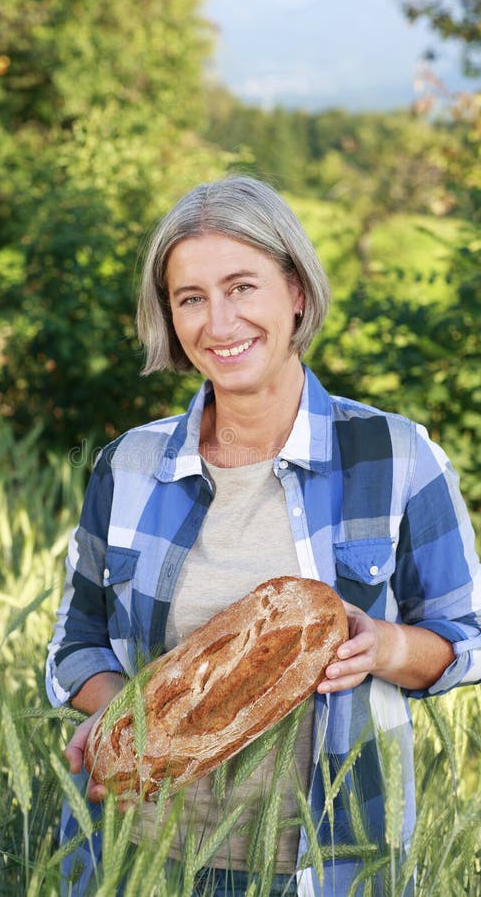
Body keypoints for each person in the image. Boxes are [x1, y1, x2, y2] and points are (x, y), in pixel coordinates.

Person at [45, 176, 481, 896]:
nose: (219, 323)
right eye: (191, 298)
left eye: (242, 287)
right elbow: (74, 643)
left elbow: (466, 636)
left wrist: (388, 646)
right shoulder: (129, 465)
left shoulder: (395, 457)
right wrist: (127, 716)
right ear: (170, 316)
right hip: (137, 857)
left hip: (328, 864)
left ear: (297, 292)